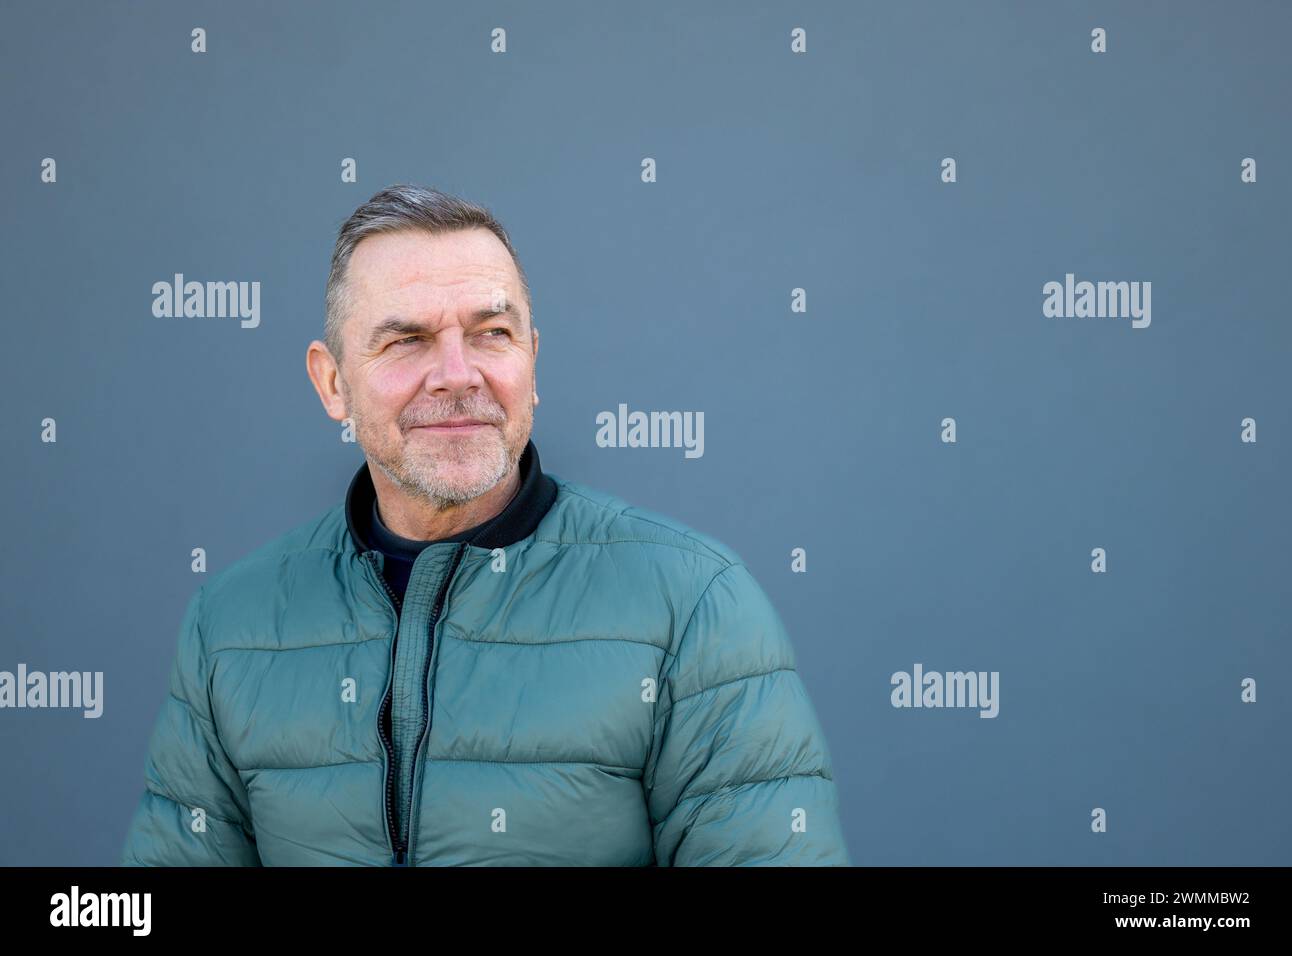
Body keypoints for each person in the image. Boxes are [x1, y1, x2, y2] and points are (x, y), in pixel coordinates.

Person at [120, 184, 852, 866]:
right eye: (405, 341)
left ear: (531, 361)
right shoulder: (230, 625)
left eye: (491, 332)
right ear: (333, 382)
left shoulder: (694, 606)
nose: (457, 374)